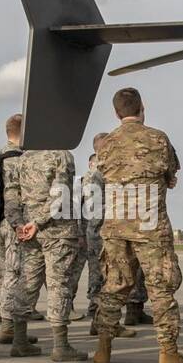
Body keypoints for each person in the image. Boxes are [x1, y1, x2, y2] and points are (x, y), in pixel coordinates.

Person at [94, 88, 183, 363]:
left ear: (117, 113)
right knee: (160, 287)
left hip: (115, 222)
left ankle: (103, 350)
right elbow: (171, 175)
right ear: (142, 108)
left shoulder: (106, 143)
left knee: (114, 285)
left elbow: (103, 175)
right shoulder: (158, 138)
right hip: (150, 220)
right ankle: (168, 353)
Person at [4, 139, 86, 362]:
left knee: (26, 282)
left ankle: (19, 341)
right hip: (57, 231)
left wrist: (19, 223)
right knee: (59, 284)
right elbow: (62, 195)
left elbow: (11, 196)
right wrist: (39, 222)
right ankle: (61, 346)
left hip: (28, 230)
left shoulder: (22, 159)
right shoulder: (61, 154)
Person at [0, 115, 40, 348]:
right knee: (14, 273)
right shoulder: (16, 159)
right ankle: (8, 327)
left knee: (5, 273)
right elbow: (13, 196)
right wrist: (18, 224)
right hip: (14, 222)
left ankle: (8, 324)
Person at [83, 142, 135, 339]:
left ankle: (101, 322)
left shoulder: (102, 172)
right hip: (102, 233)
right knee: (106, 279)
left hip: (101, 232)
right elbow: (95, 208)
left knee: (105, 278)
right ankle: (103, 323)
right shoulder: (98, 173)